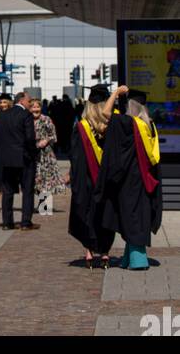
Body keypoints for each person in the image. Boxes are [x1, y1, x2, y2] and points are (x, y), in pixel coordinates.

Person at [96, 86, 162, 270]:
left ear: (130, 106)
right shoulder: (150, 125)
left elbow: (105, 112)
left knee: (131, 215)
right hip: (145, 178)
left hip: (129, 180)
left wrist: (115, 93)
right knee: (138, 215)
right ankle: (129, 258)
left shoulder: (128, 123)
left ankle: (138, 260)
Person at [67, 83, 116, 268]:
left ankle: (88, 251)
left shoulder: (81, 127)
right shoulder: (113, 125)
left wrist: (75, 179)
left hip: (87, 179)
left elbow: (76, 157)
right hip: (107, 178)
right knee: (106, 213)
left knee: (87, 212)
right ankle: (104, 252)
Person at [0, 91, 37, 231]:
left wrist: (1, 151)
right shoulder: (26, 115)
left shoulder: (3, 115)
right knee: (27, 190)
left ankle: (7, 222)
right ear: (22, 101)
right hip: (24, 159)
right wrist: (31, 153)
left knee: (8, 191)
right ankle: (25, 222)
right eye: (29, 101)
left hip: (7, 159)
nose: (30, 104)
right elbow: (30, 138)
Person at [31, 98, 65, 204]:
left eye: (38, 107)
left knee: (46, 180)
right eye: (33, 107)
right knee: (35, 180)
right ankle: (40, 204)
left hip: (45, 155)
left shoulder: (46, 119)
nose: (36, 109)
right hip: (32, 154)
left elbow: (54, 136)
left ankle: (45, 207)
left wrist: (46, 140)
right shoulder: (27, 120)